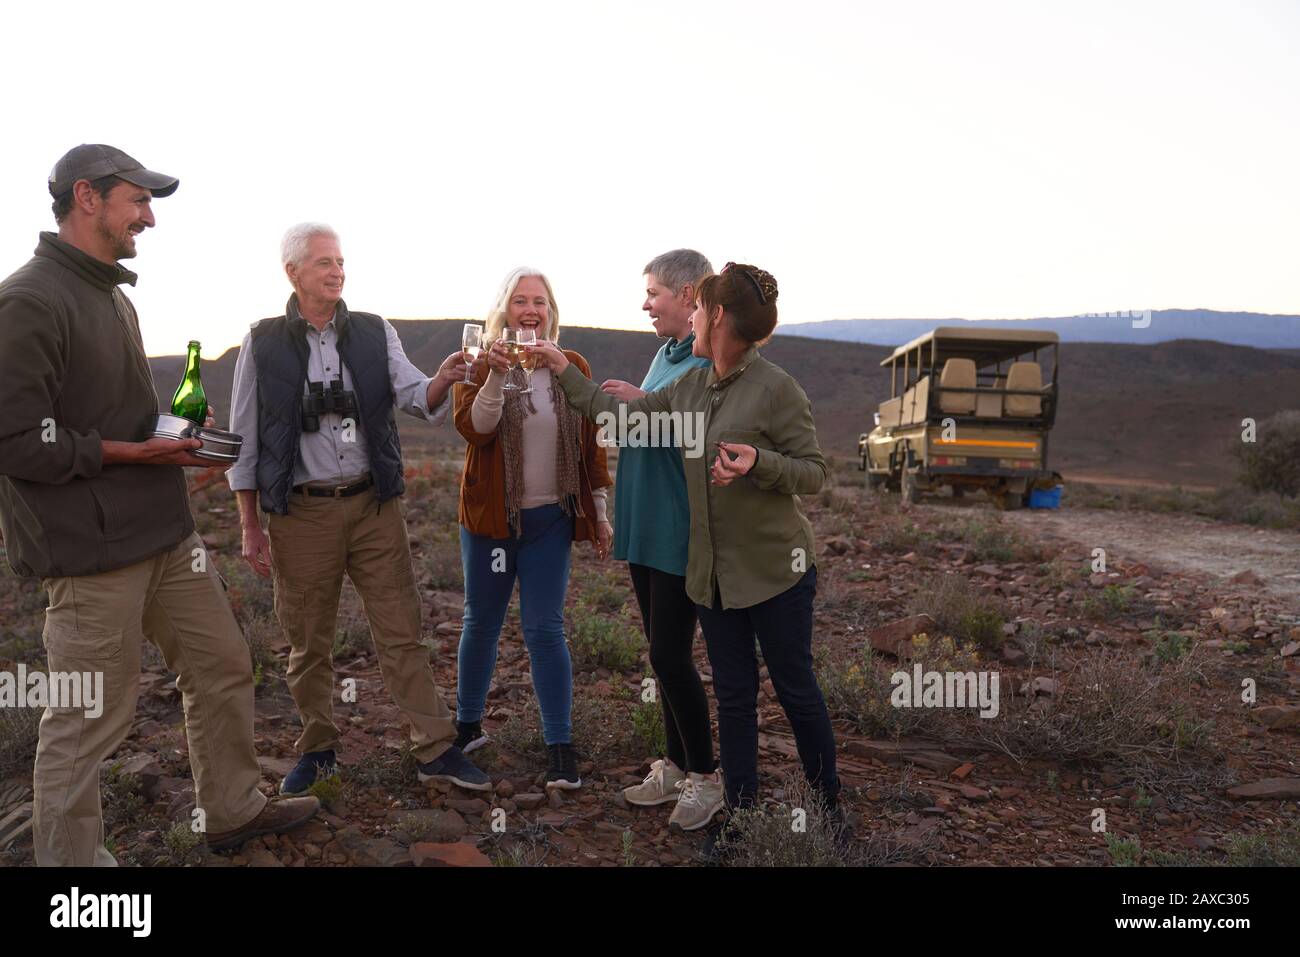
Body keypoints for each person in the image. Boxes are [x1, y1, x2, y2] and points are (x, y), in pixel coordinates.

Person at [0, 144, 320, 865]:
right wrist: (135, 453)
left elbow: (116, 413)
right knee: (84, 719)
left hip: (164, 535)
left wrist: (177, 440)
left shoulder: (111, 292)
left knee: (222, 662)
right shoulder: (28, 299)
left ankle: (232, 807)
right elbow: (17, 439)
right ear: (88, 198)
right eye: (137, 201)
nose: (147, 217)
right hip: (88, 551)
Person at [529, 263, 841, 843]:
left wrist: (760, 462)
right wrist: (559, 365)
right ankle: (743, 822)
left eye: (699, 309)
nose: (692, 314)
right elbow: (620, 417)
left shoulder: (775, 388)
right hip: (715, 577)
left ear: (715, 316)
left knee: (797, 692)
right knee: (736, 701)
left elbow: (815, 473)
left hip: (776, 573)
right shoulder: (690, 387)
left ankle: (830, 815)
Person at [227, 222, 490, 794]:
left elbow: (417, 398)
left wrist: (442, 378)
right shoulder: (262, 342)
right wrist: (251, 526)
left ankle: (435, 747)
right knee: (308, 641)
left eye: (340, 261)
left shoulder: (374, 331)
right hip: (301, 514)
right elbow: (244, 439)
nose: (337, 271)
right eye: (324, 262)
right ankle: (317, 750)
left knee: (403, 631)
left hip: (374, 507)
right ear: (293, 272)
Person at [452, 267, 613, 790]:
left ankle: (559, 746)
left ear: (551, 311)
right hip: (493, 523)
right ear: (505, 310)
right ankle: (467, 727)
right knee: (482, 622)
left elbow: (591, 446)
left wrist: (601, 511)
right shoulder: (480, 364)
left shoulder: (572, 366)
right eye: (520, 300)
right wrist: (497, 374)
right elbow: (475, 430)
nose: (530, 309)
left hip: (549, 521)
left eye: (539, 301)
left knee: (545, 629)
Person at [600, 250, 723, 832]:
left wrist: (638, 405)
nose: (645, 304)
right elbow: (635, 426)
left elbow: (693, 436)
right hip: (643, 524)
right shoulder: (665, 353)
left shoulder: (702, 362)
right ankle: (675, 766)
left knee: (671, 655)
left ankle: (706, 776)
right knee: (659, 651)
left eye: (653, 294)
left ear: (689, 294)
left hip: (676, 526)